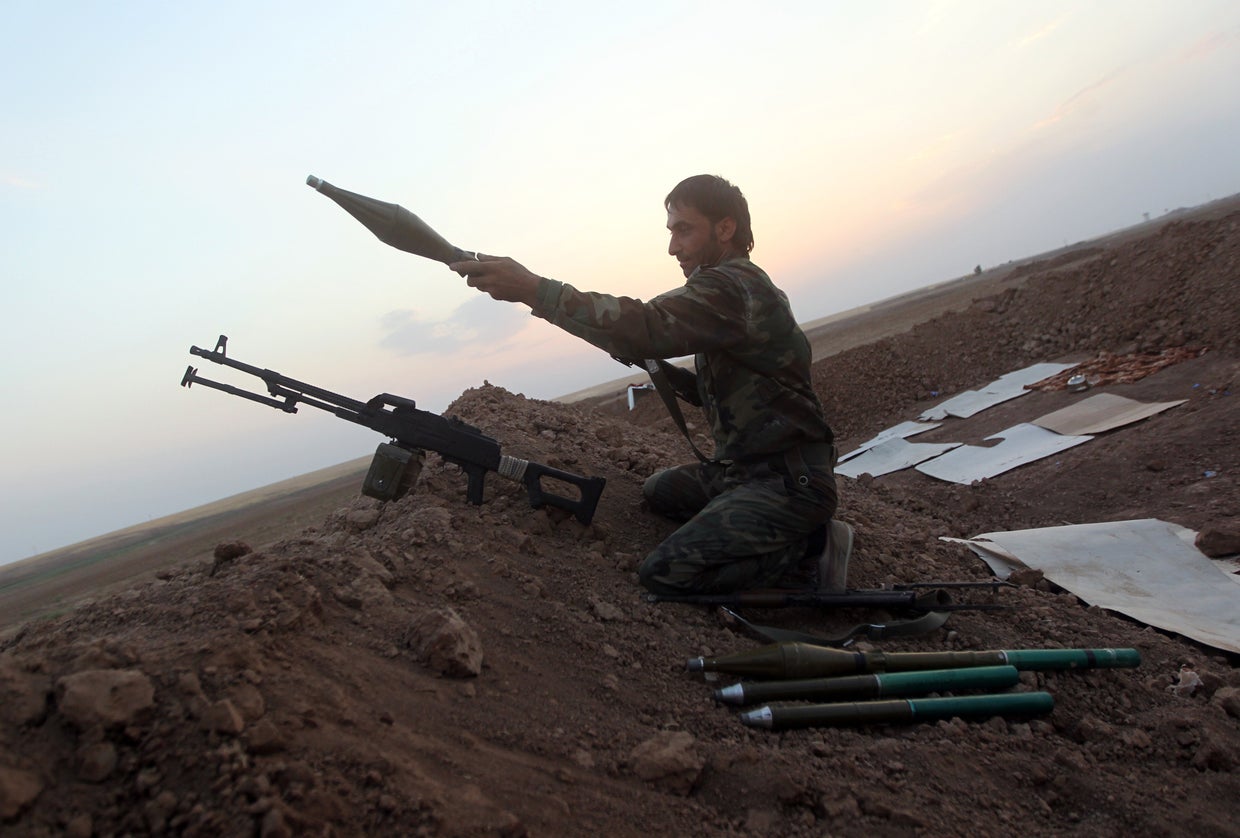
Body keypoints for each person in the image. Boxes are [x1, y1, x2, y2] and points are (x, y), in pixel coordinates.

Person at [450, 174, 851, 595]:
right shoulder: (735, 289)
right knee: (659, 491)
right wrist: (664, 370)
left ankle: (813, 548)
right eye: (671, 231)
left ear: (725, 228)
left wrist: (535, 289)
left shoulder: (732, 288)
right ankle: (749, 523)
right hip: (748, 472)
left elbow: (645, 324)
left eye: (684, 229)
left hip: (789, 483)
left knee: (664, 573)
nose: (673, 246)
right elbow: (723, 390)